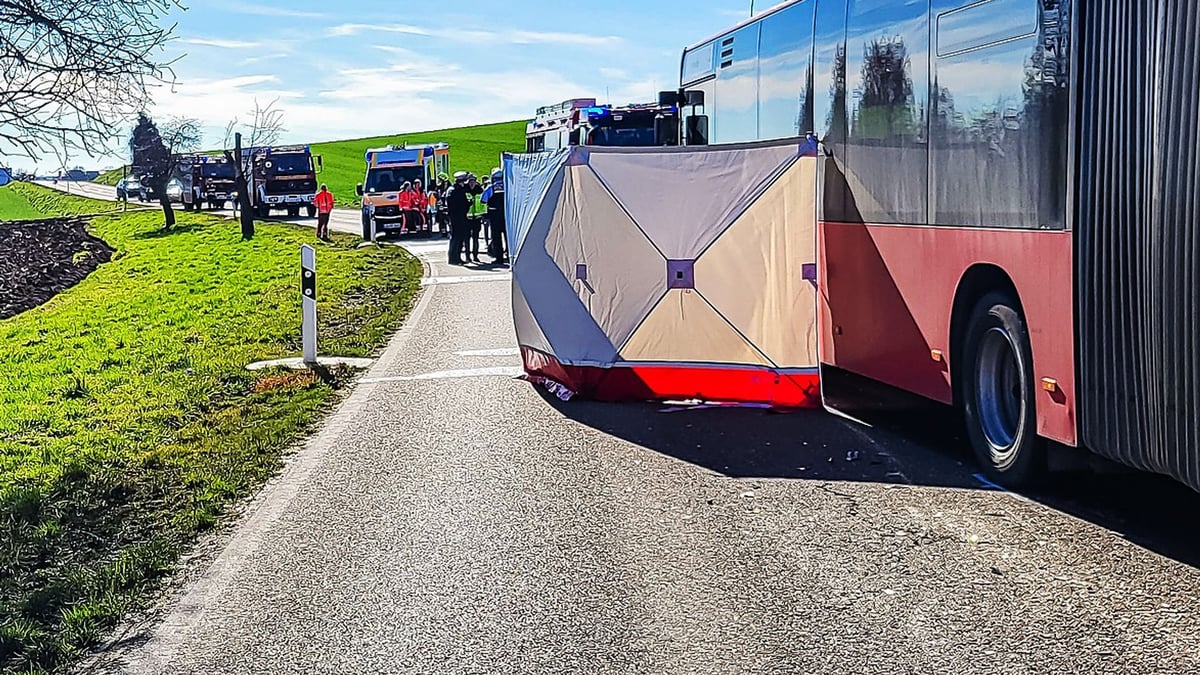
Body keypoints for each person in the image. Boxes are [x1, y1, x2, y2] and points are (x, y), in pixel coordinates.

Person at [446, 172, 472, 265]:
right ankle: (455, 258)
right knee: (458, 238)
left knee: (455, 238)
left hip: (453, 217)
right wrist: (469, 203)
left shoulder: (451, 189)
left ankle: (455, 258)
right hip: (459, 217)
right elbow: (462, 205)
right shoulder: (458, 191)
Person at [482, 168, 507, 263]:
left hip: (494, 216)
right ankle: (509, 255)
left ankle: (499, 258)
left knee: (496, 238)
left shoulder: (491, 188)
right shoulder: (508, 186)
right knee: (507, 237)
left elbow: (483, 200)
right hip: (506, 216)